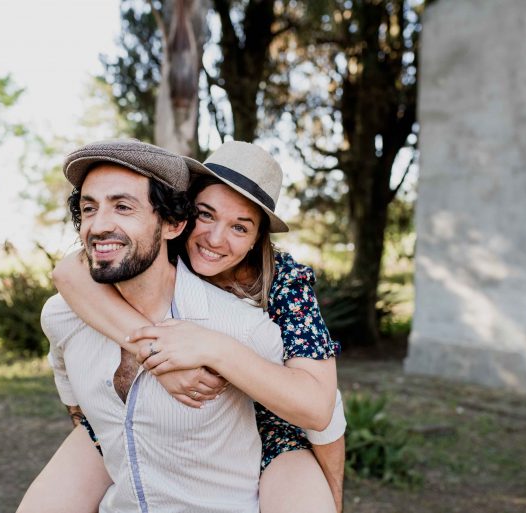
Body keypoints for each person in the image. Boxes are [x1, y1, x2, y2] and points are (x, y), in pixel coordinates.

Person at [22, 141, 346, 513]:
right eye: (206, 215)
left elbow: (321, 409)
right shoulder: (157, 247)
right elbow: (68, 274)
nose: (215, 239)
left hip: (272, 422)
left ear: (257, 239)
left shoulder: (284, 284)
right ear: (184, 214)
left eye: (240, 227)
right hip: (154, 419)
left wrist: (213, 348)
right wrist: (157, 355)